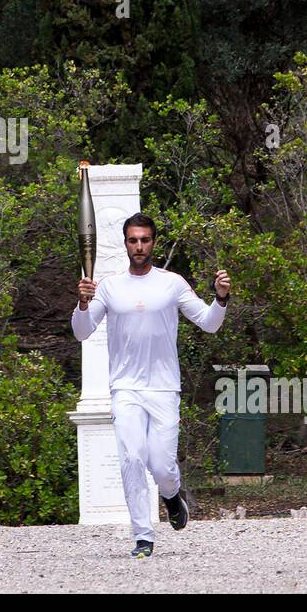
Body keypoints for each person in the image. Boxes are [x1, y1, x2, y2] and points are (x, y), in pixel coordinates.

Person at [71, 213, 230, 558]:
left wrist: (220, 299)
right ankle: (143, 536)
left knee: (161, 465)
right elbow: (82, 331)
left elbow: (209, 323)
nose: (139, 246)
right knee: (131, 458)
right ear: (126, 243)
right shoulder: (110, 287)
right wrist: (82, 304)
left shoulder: (171, 283)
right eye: (133, 240)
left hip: (163, 388)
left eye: (144, 240)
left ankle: (172, 495)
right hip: (125, 388)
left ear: (153, 243)